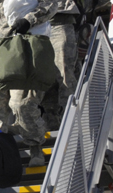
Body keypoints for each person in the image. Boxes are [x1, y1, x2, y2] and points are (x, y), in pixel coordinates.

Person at [0, 0, 57, 167]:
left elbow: (51, 5)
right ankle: (0, 155)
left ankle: (35, 147)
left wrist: (29, 20)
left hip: (22, 50)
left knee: (22, 105)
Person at [41, 0, 82, 130]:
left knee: (65, 72)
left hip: (60, 21)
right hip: (37, 27)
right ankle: (52, 122)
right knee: (45, 77)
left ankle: (71, 119)